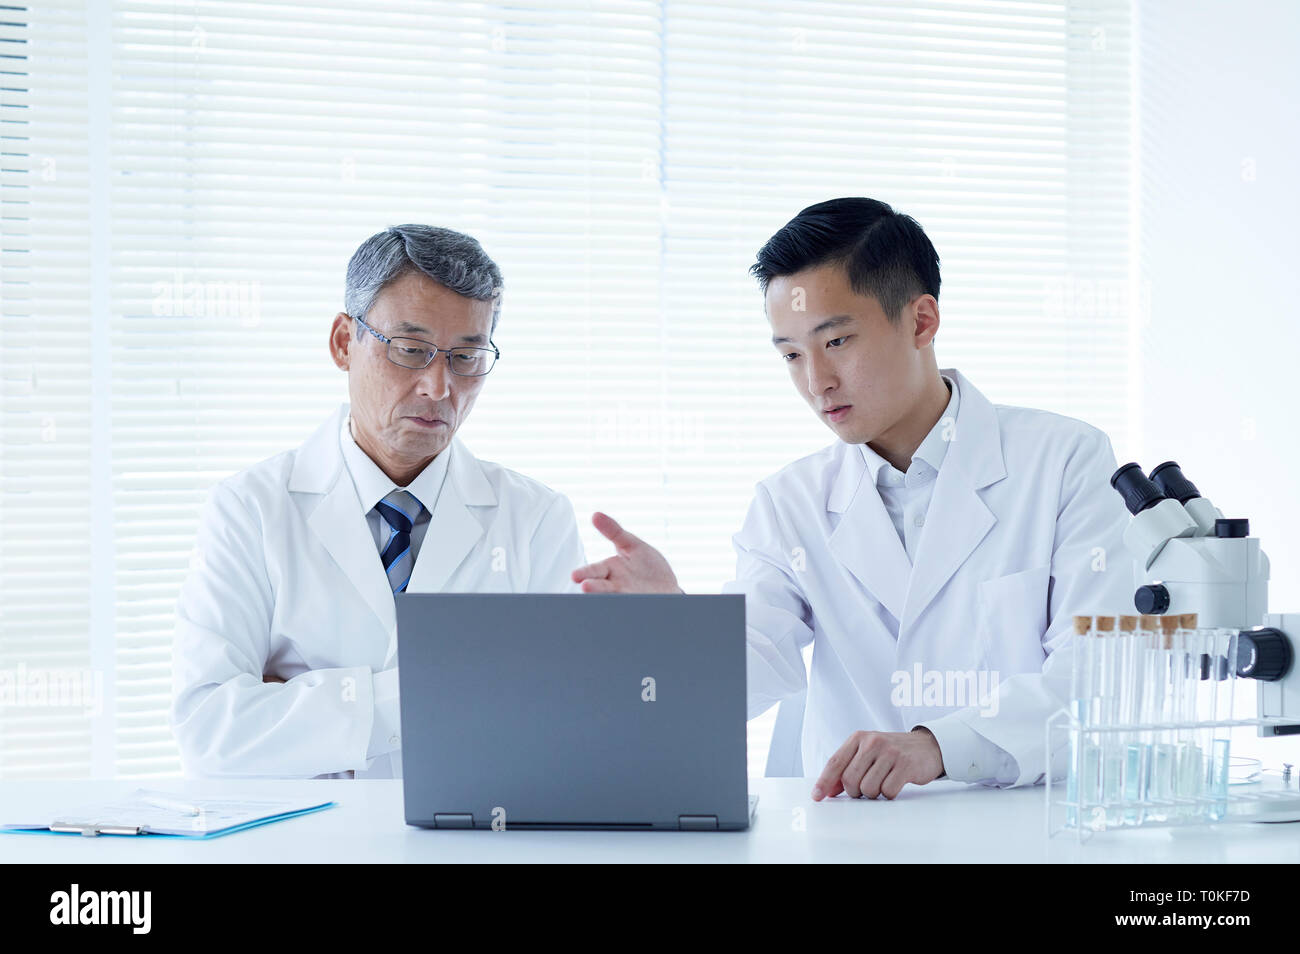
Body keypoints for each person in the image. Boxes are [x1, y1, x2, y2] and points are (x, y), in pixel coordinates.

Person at [571, 197, 1131, 799]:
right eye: (790, 354)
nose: (816, 382)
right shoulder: (789, 502)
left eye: (836, 341)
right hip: (853, 833)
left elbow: (1096, 677)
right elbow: (753, 669)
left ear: (921, 321)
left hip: (1018, 826)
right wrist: (678, 620)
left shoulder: (1065, 460)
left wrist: (937, 746)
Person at [171, 224, 585, 779]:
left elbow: (568, 724)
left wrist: (305, 703)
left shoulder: (536, 520)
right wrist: (446, 690)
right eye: (412, 350)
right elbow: (210, 731)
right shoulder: (250, 510)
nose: (439, 387)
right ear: (345, 342)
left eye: (466, 358)